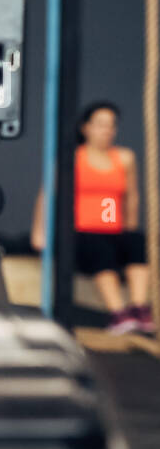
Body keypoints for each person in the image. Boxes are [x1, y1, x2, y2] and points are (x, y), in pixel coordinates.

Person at [30, 102, 154, 335]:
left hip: (112, 228)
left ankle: (139, 308)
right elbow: (47, 195)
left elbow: (132, 197)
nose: (106, 130)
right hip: (83, 232)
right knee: (98, 248)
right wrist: (39, 233)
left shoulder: (124, 158)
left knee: (137, 242)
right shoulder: (72, 159)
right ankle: (118, 313)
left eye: (111, 125)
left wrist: (129, 229)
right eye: (100, 125)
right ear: (86, 128)